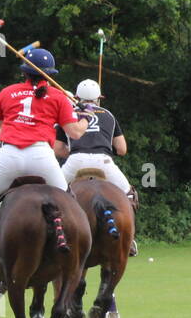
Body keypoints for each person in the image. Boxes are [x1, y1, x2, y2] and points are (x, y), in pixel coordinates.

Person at [0, 48, 88, 275]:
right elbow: (75, 133)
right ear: (50, 74)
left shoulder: (7, 93)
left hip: (9, 157)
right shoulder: (59, 97)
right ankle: (73, 247)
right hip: (42, 158)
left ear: (24, 73)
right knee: (69, 200)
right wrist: (85, 117)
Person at [56, 78, 139, 257]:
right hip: (104, 162)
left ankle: (56, 235)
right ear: (99, 98)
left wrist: (72, 150)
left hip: (75, 161)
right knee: (129, 194)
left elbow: (58, 149)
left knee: (53, 193)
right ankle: (129, 239)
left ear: (77, 96)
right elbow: (122, 149)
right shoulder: (108, 115)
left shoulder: (68, 114)